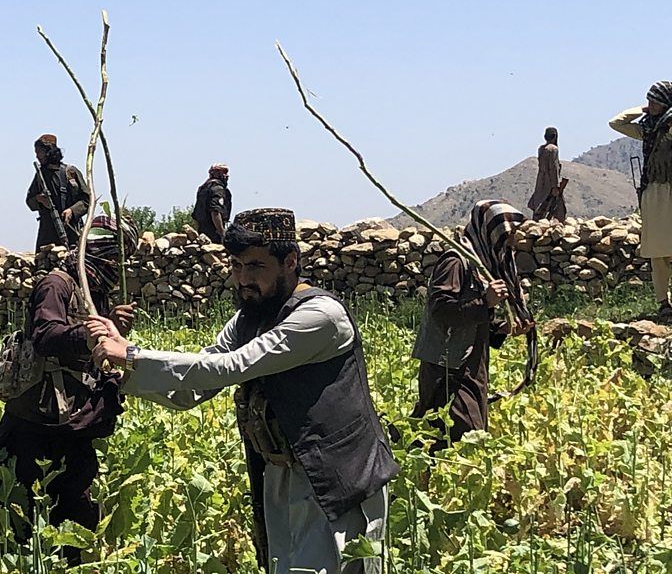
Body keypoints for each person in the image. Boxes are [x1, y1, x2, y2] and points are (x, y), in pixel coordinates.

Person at [88, 208, 398, 574]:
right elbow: (193, 388)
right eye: (236, 266)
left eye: (255, 266)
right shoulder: (249, 317)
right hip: (279, 475)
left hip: (337, 479)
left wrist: (134, 356)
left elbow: (232, 366)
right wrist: (123, 371)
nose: (243, 278)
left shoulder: (321, 317)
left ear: (290, 262)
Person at [0, 215, 138, 565]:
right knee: (19, 514)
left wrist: (110, 323)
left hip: (69, 422)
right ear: (102, 252)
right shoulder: (57, 285)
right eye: (117, 258)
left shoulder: (91, 289)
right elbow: (46, 337)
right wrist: (90, 334)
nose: (118, 267)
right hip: (38, 423)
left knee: (73, 513)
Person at [410, 201, 534, 452]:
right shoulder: (455, 261)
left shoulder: (480, 263)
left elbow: (472, 320)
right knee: (460, 433)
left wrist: (501, 329)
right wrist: (485, 301)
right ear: (489, 231)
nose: (509, 242)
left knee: (454, 431)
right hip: (447, 367)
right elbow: (442, 310)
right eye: (505, 235)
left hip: (470, 364)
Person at [609, 81, 672, 319]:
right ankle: (663, 302)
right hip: (653, 195)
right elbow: (616, 123)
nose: (651, 105)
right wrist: (641, 110)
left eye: (655, 101)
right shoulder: (647, 128)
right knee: (658, 250)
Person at [25, 134, 91, 250]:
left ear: (49, 151)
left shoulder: (71, 172)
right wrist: (39, 199)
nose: (37, 156)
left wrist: (72, 211)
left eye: (39, 152)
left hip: (71, 230)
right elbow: (30, 201)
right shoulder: (40, 175)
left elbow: (87, 200)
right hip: (47, 234)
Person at [528, 127, 567, 222]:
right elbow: (553, 168)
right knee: (558, 207)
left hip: (541, 182)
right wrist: (555, 186)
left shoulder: (541, 149)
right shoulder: (553, 149)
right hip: (549, 183)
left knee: (540, 204)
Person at [192, 163, 233, 243]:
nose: (227, 176)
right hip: (214, 233)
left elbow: (196, 215)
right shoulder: (218, 189)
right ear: (217, 174)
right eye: (224, 172)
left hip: (202, 234)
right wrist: (222, 233)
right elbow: (215, 212)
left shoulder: (203, 188)